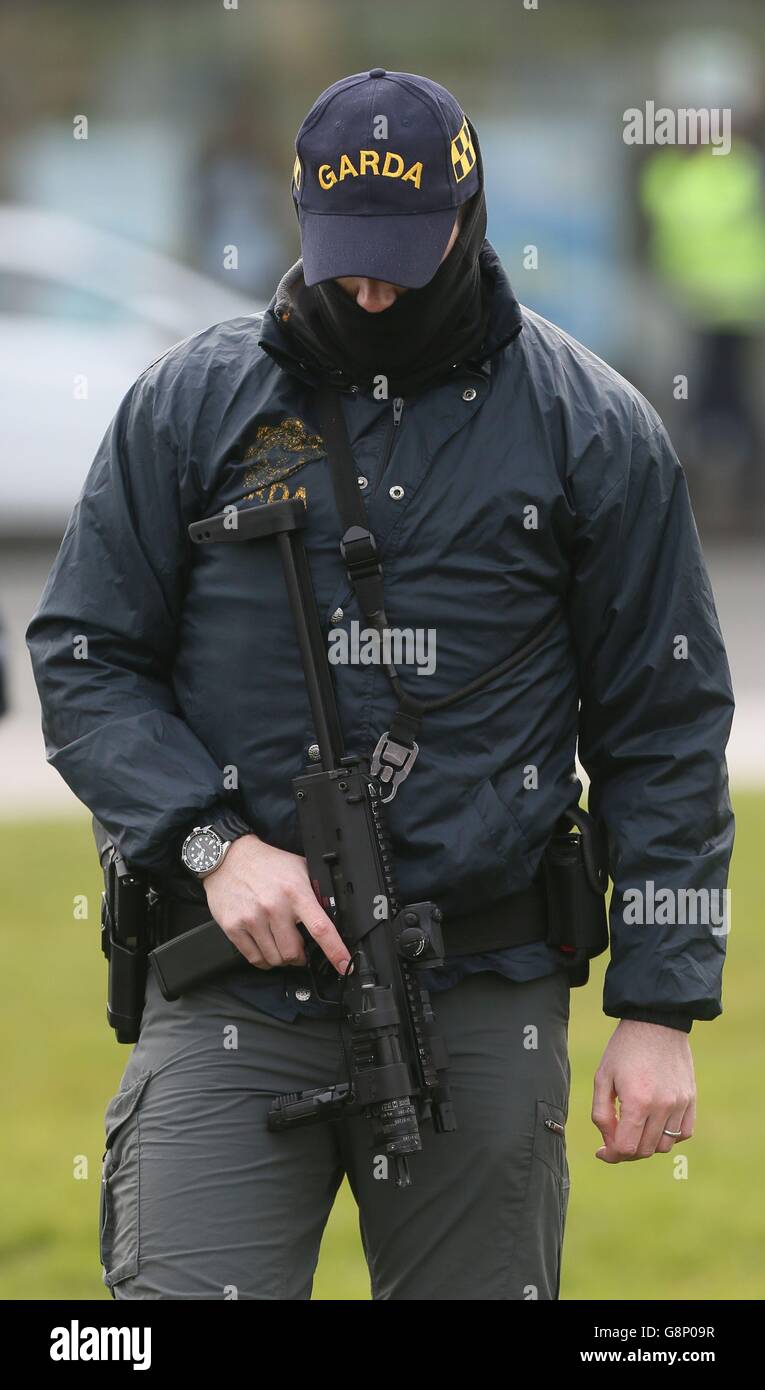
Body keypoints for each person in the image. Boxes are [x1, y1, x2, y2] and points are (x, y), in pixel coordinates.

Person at [26, 69, 734, 1302]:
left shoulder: (594, 428)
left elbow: (665, 726)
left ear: (470, 215)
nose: (372, 286)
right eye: (347, 255)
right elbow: (85, 661)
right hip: (229, 987)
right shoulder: (191, 405)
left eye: (406, 254)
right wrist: (208, 843)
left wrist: (661, 1008)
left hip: (479, 993)